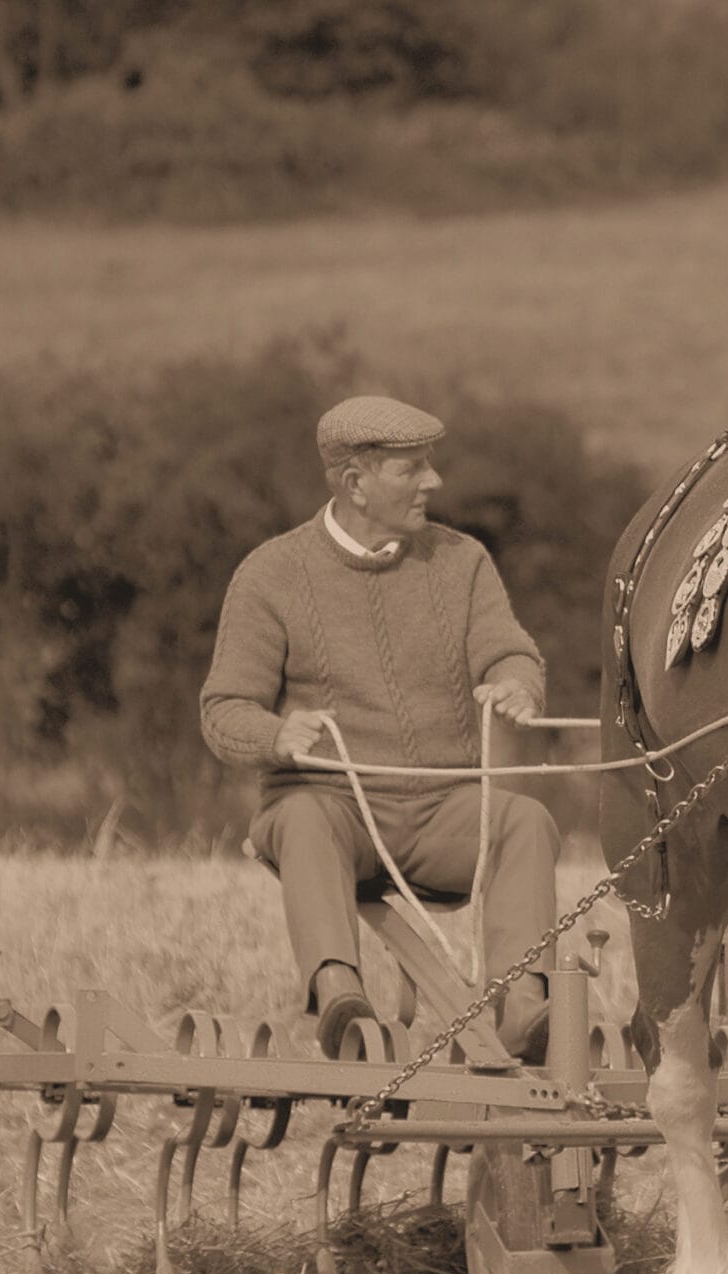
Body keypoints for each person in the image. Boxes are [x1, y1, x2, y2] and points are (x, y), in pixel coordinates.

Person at [200, 395, 558, 1065]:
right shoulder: (270, 575)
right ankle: (340, 1001)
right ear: (354, 483)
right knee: (305, 816)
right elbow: (223, 710)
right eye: (413, 469)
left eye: (431, 466)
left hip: (439, 814)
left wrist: (516, 681)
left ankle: (525, 1008)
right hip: (332, 814)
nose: (434, 483)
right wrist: (277, 735)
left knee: (526, 821)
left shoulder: (463, 561)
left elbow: (508, 646)